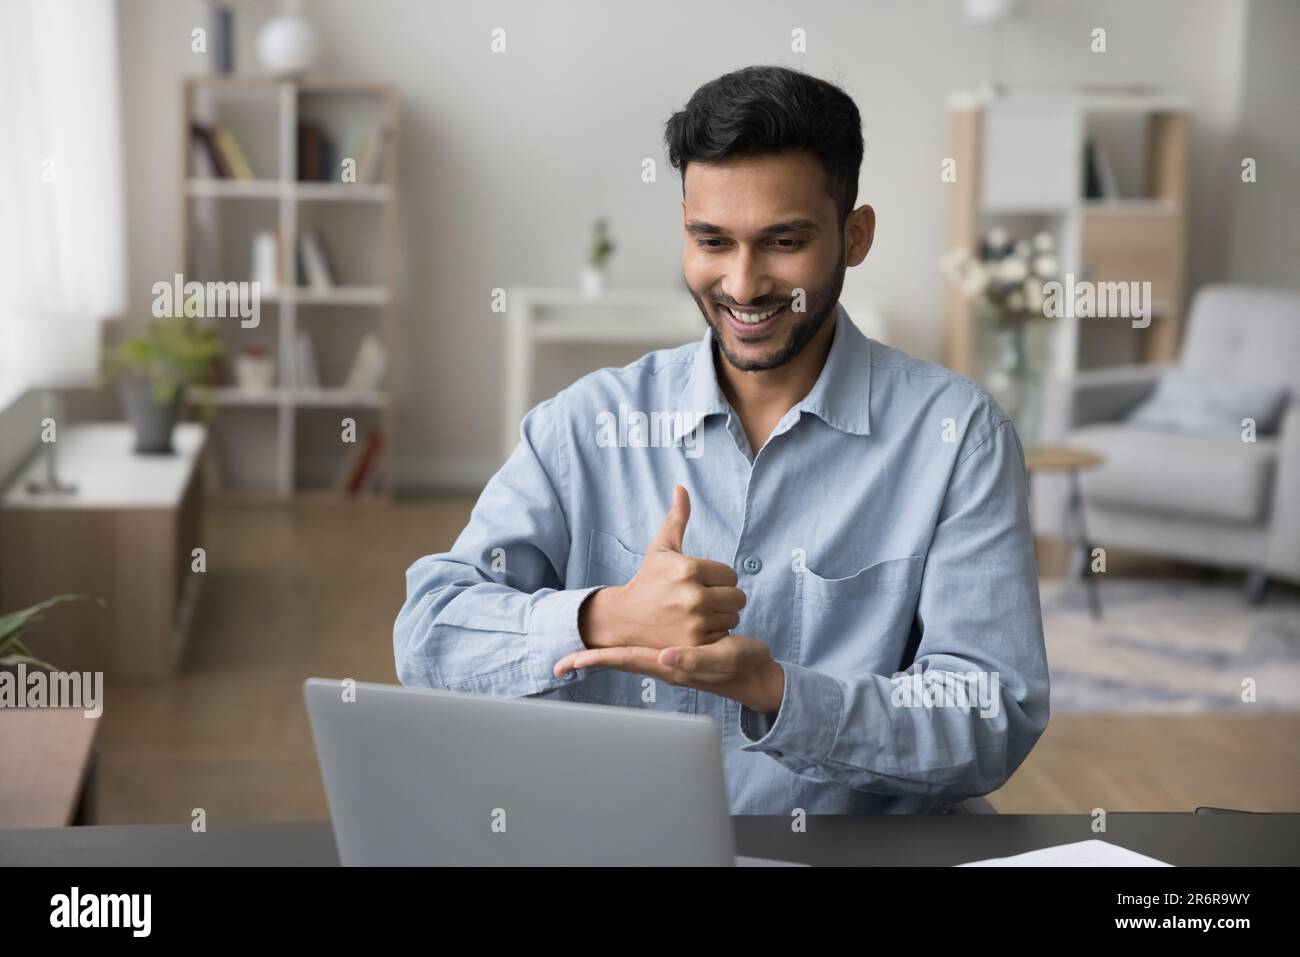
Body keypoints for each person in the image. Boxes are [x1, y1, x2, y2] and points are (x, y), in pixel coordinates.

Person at [395, 65, 1049, 814]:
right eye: (712, 240)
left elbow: (991, 711)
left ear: (855, 235)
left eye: (783, 241)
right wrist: (605, 615)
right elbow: (429, 633)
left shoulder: (958, 436)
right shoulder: (583, 423)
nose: (742, 284)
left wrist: (779, 694)